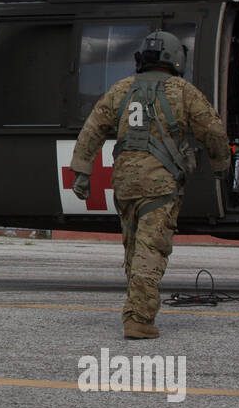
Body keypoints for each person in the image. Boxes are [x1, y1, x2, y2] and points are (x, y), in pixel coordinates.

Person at [70, 31, 229, 339]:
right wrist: (221, 166)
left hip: (125, 183)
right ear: (176, 59)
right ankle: (139, 319)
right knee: (151, 248)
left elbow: (91, 130)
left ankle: (136, 306)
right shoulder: (183, 91)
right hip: (160, 183)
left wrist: (81, 172)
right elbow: (213, 130)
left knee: (133, 249)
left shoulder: (121, 90)